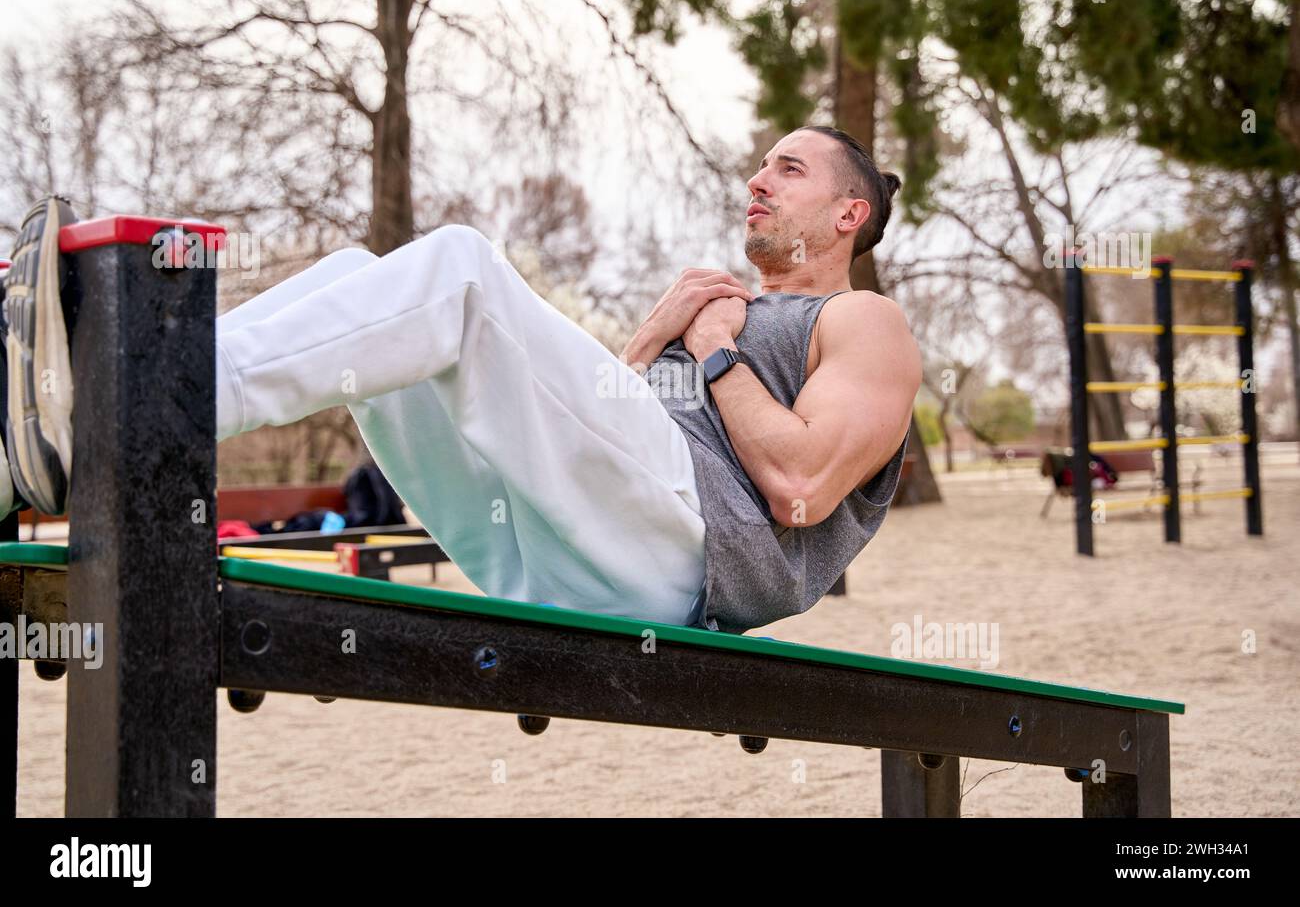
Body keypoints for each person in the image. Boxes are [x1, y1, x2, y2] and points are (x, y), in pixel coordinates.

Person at [0, 124, 920, 634]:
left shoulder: (862, 323)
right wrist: (651, 339)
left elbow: (800, 489)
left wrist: (716, 351)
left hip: (690, 565)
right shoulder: (707, 305)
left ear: (848, 211)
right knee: (357, 281)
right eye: (757, 165)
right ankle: (55, 433)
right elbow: (593, 423)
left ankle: (136, 402)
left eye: (786, 169)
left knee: (463, 270)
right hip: (553, 558)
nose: (756, 181)